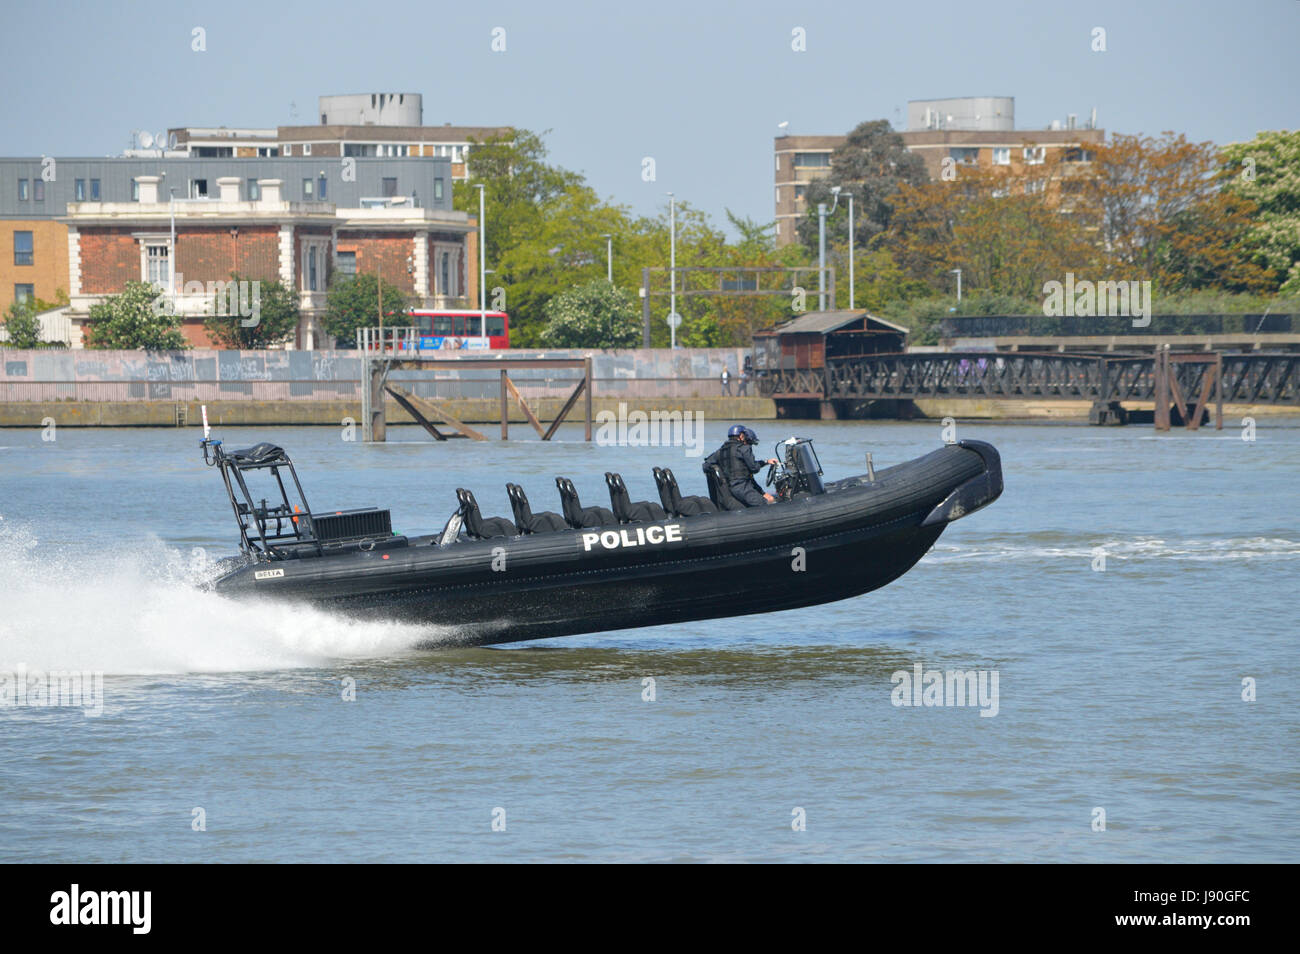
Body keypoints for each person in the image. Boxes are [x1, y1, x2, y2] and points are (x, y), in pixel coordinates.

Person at [704, 424, 778, 506]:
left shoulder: (720, 451)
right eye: (749, 442)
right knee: (763, 504)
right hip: (743, 487)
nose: (749, 445)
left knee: (770, 498)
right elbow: (754, 468)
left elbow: (706, 465)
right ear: (742, 436)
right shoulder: (744, 448)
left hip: (732, 487)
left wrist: (766, 461)